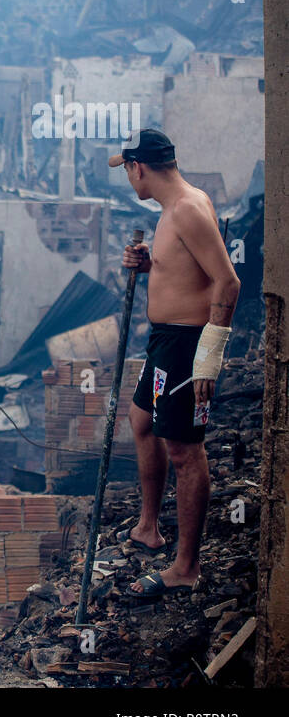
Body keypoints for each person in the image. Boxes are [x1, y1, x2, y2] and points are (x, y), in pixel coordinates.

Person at [109, 129, 241, 599]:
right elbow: (190, 269)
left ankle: (186, 567)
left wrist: (208, 359)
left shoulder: (186, 209)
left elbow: (227, 283)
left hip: (188, 347)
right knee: (141, 420)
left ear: (138, 167)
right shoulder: (177, 207)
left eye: (126, 168)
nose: (128, 177)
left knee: (186, 452)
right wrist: (151, 264)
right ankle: (149, 527)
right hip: (165, 341)